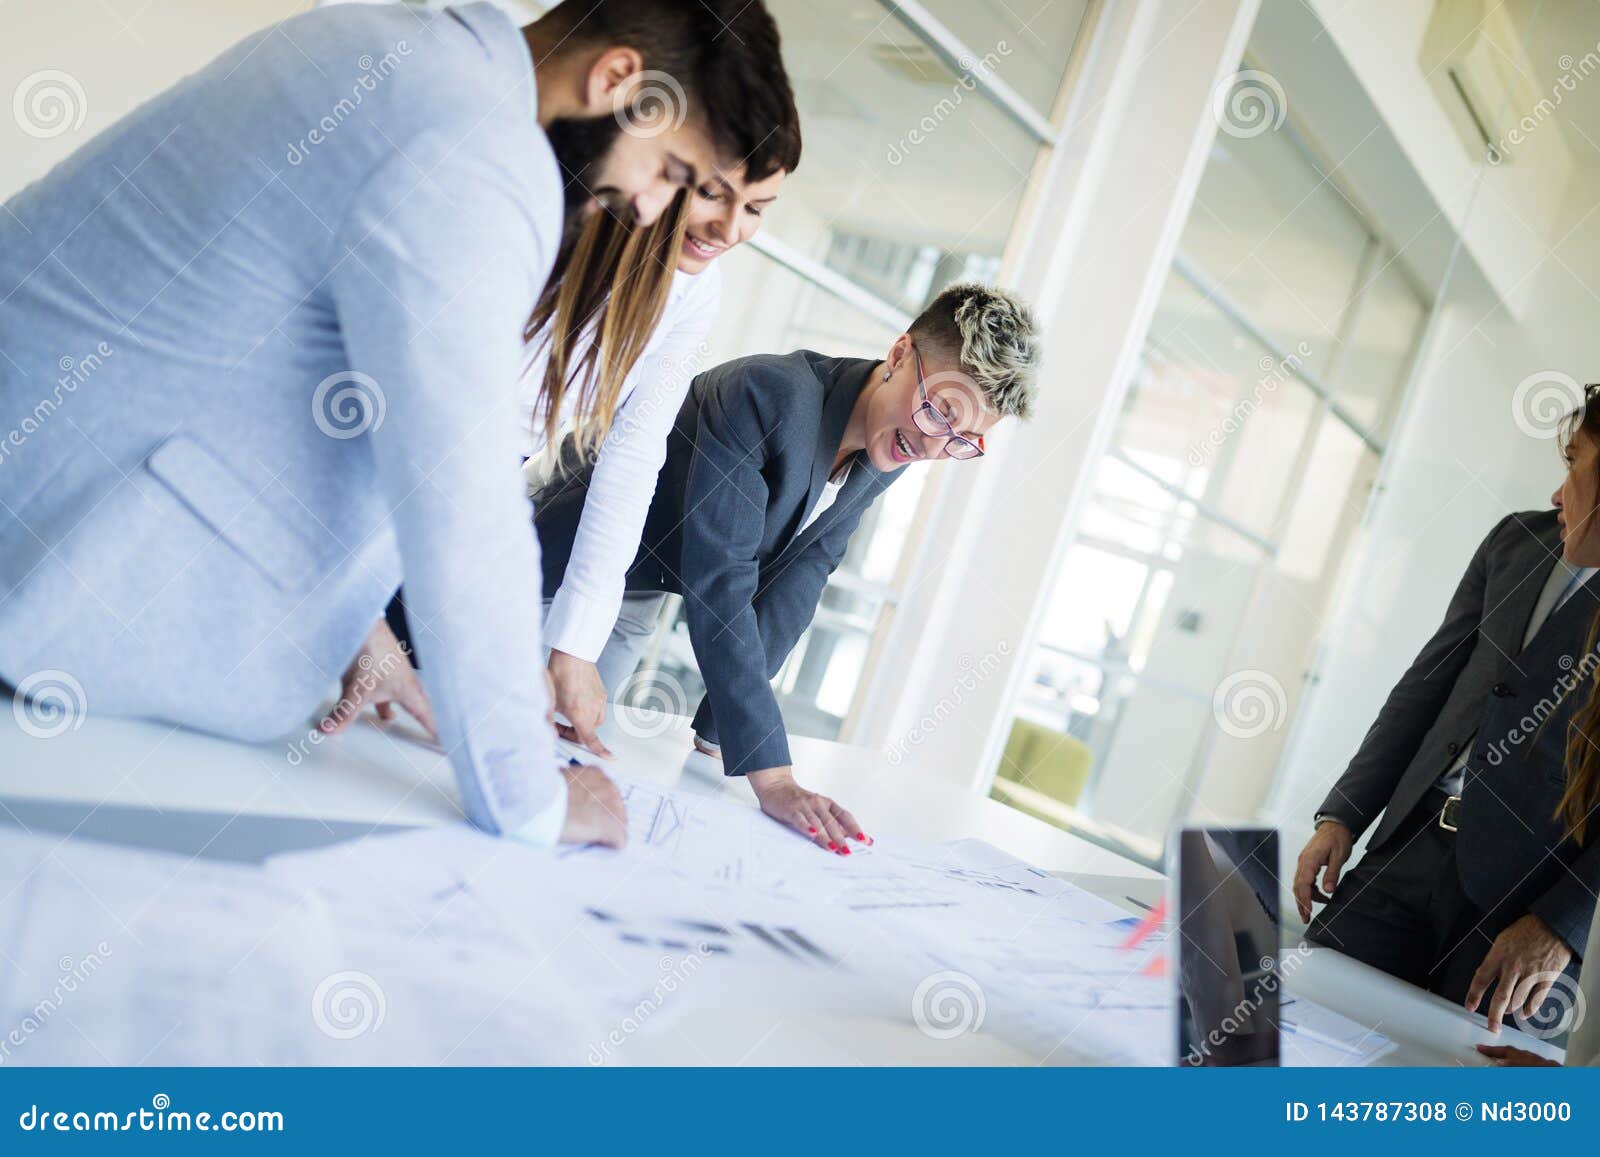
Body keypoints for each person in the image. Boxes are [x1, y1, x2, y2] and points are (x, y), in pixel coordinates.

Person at [0, 0, 798, 851]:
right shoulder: (473, 150)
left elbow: (264, 386)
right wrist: (532, 795)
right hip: (48, 586)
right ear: (616, 82)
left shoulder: (405, 49)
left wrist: (354, 624)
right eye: (675, 171)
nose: (649, 209)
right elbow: (461, 491)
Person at [530, 283, 1042, 853]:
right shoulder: (769, 392)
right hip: (563, 567)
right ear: (899, 355)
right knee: (482, 731)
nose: (932, 445)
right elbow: (723, 578)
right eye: (937, 411)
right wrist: (771, 773)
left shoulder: (891, 443)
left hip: (637, 597)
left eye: (962, 439)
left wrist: (719, 738)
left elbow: (806, 572)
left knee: (565, 750)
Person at [338, 161, 798, 756]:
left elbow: (632, 458)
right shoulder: (555, 223)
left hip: (480, 478)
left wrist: (574, 649)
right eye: (712, 194)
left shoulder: (694, 290)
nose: (729, 229)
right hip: (384, 445)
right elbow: (447, 417)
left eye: (757, 209)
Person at [1295, 383, 1600, 1031]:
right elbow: (1426, 685)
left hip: (1525, 904)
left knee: (1452, 1110)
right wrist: (1343, 812)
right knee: (1296, 1025)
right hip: (1408, 846)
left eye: (1574, 462)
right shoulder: (1515, 541)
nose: (1557, 490)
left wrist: (1564, 922)